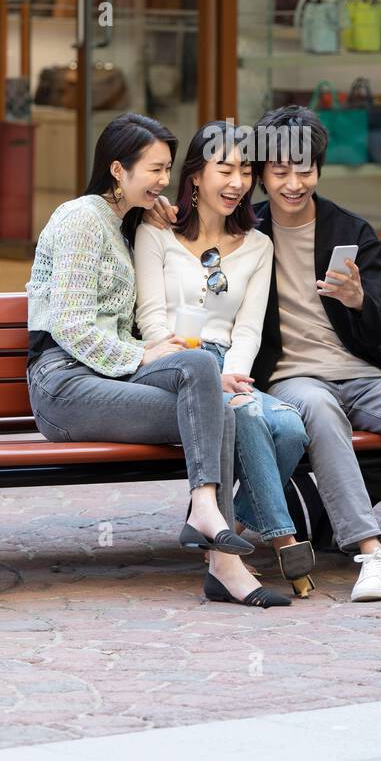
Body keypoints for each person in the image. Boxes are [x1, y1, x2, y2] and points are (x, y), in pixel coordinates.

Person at [150, 106, 381, 603]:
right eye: (279, 173)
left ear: (319, 169)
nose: (294, 183)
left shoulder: (352, 232)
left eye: (305, 171)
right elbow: (202, 248)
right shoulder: (249, 236)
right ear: (264, 175)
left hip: (363, 374)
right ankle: (370, 553)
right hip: (294, 379)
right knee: (318, 409)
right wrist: (167, 209)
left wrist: (360, 301)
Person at [25, 112, 291, 609]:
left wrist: (151, 216)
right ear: (118, 170)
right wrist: (143, 352)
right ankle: (219, 549)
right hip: (62, 385)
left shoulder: (122, 220)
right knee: (209, 398)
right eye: (154, 169)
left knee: (204, 376)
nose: (165, 181)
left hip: (106, 376)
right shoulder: (81, 219)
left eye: (169, 169)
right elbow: (71, 324)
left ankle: (211, 528)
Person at [134, 121, 315, 597]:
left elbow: (248, 328)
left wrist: (232, 372)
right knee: (249, 416)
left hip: (230, 363)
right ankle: (282, 541)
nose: (238, 183)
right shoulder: (155, 233)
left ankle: (218, 527)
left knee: (291, 427)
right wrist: (203, 373)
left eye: (247, 171)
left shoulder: (258, 245)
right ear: (195, 175)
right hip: (171, 364)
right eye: (226, 169)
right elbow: (152, 320)